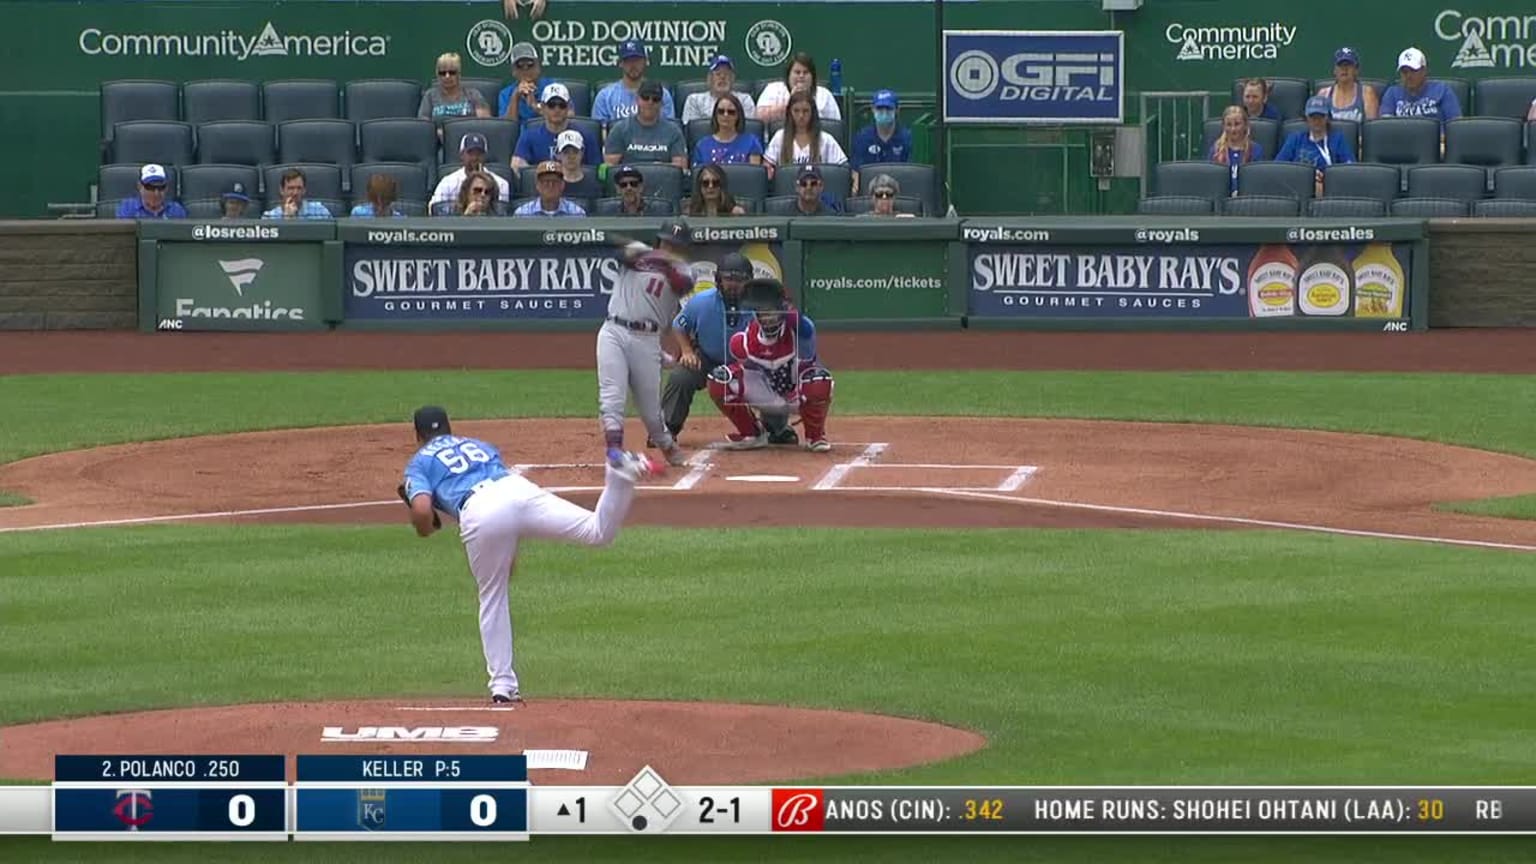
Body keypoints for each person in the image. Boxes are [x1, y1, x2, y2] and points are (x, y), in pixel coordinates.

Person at [397, 404, 661, 705]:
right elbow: (507, 507)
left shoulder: (419, 463)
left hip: (481, 510)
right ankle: (619, 476)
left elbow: (420, 509)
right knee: (597, 531)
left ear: (417, 435)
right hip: (517, 490)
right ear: (448, 427)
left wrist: (424, 528)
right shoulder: (479, 445)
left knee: (493, 596)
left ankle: (503, 686)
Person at [662, 253, 798, 444]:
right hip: (707, 358)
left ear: (749, 281)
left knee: (772, 375)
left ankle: (775, 427)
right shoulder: (702, 302)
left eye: (740, 279)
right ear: (719, 279)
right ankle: (667, 429)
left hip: (748, 363)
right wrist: (687, 351)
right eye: (728, 279)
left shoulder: (759, 305)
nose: (733, 284)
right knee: (681, 375)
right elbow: (679, 325)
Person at [597, 220, 696, 467]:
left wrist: (654, 255)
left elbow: (680, 282)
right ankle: (614, 452)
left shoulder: (685, 271)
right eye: (665, 242)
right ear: (658, 240)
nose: (669, 248)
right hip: (613, 331)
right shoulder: (638, 252)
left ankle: (666, 444)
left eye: (675, 245)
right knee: (612, 396)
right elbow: (620, 254)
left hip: (647, 339)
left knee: (651, 413)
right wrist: (635, 250)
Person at [705, 277, 834, 452]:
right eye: (764, 314)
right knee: (719, 378)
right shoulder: (742, 341)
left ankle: (815, 436)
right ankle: (751, 433)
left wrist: (786, 306)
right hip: (767, 395)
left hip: (795, 393)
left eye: (773, 313)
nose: (769, 319)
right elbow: (742, 372)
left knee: (819, 379)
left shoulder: (799, 333)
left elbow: (803, 327)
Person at [1276, 96, 1356, 196]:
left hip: (1330, 189)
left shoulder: (1338, 139)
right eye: (1312, 116)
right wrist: (1307, 177)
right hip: (1297, 188)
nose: (1316, 120)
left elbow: (1349, 170)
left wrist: (1326, 178)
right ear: (1306, 118)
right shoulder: (1295, 139)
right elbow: (1279, 168)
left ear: (1327, 117)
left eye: (1321, 116)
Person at [763, 90, 848, 180]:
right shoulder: (780, 137)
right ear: (790, 112)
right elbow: (767, 165)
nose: (801, 116)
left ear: (813, 113)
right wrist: (769, 170)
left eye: (806, 111)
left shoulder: (826, 139)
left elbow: (843, 169)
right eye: (796, 111)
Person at [512, 83, 599, 170]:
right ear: (542, 107)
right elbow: (517, 167)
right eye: (551, 105)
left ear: (568, 107)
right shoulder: (529, 136)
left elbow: (594, 170)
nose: (557, 109)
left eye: (562, 105)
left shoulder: (586, 136)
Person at [603, 81, 688, 168]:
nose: (650, 102)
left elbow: (680, 169)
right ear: (637, 100)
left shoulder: (673, 131)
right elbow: (610, 167)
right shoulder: (620, 129)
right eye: (645, 98)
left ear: (661, 103)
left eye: (655, 99)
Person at [592, 39, 676, 122]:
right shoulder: (605, 97)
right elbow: (601, 132)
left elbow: (669, 130)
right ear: (620, 63)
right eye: (628, 61)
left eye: (637, 60)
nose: (633, 65)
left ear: (646, 61)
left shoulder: (661, 95)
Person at [1380, 47, 1462, 130]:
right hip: (1402, 141)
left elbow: (1455, 127)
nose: (1408, 76)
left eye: (1413, 70)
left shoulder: (1442, 91)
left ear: (1424, 71)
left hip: (1436, 141)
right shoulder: (1392, 94)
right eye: (1404, 72)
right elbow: (1386, 128)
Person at [432, 132, 511, 210]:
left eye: (479, 154)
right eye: (470, 153)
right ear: (461, 155)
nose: (475, 158)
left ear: (485, 156)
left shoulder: (501, 184)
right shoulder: (448, 183)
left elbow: (500, 214)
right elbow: (434, 209)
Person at [419, 52, 491, 137]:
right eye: (442, 73)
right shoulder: (430, 96)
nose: (447, 76)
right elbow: (424, 125)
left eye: (452, 72)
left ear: (459, 74)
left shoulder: (473, 94)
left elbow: (485, 123)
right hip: (440, 142)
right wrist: (442, 135)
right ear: (437, 75)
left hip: (470, 141)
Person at [755, 52, 842, 123]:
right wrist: (792, 103)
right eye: (797, 72)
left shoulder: (825, 95)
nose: (801, 76)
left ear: (813, 76)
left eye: (806, 72)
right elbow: (759, 118)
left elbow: (835, 127)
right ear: (788, 75)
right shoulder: (773, 89)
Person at [849, 89, 912, 180]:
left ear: (897, 110)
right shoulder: (862, 138)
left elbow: (911, 173)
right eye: (879, 108)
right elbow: (855, 171)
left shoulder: (907, 138)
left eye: (888, 108)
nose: (884, 112)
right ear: (873, 109)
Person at [691, 93, 763, 167]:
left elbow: (754, 175)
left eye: (731, 112)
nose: (725, 115)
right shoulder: (702, 145)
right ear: (715, 115)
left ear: (738, 115)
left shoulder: (751, 143)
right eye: (721, 111)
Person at [681, 55, 757, 124]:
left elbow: (748, 129)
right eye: (718, 74)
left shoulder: (744, 100)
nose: (722, 77)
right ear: (709, 79)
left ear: (733, 79)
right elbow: (690, 132)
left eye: (726, 74)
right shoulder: (694, 101)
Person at [1209, 105, 1264, 196]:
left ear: (1245, 125)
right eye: (1229, 125)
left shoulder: (1255, 149)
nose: (1233, 129)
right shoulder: (1216, 150)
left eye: (1237, 124)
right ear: (1223, 126)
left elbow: (1257, 182)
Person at [1317, 46, 1378, 123]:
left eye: (1348, 65)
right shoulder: (1324, 94)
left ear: (1356, 70)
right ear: (1334, 70)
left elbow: (1371, 128)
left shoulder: (1366, 93)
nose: (1344, 69)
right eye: (1340, 65)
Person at [497, 42, 553, 123]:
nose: (525, 69)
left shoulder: (552, 87)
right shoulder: (505, 94)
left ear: (538, 66)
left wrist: (535, 106)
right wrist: (515, 97)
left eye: (530, 64)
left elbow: (567, 117)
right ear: (513, 71)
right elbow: (507, 128)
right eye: (519, 66)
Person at [514, 160, 586, 216]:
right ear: (537, 185)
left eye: (555, 182)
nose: (550, 186)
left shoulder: (576, 213)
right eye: (546, 182)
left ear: (562, 185)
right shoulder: (522, 213)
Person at [115, 163, 187, 219]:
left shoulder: (176, 210)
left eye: (161, 187)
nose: (156, 193)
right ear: (139, 187)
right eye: (150, 188)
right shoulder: (128, 208)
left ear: (167, 188)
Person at [262, 167, 332, 219]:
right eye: (290, 188)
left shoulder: (320, 211)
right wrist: (287, 220)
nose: (295, 193)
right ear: (282, 190)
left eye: (299, 188)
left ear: (304, 190)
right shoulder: (269, 217)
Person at [553, 129, 603, 201]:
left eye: (575, 152)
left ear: (582, 153)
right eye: (566, 152)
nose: (571, 156)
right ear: (558, 155)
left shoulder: (594, 185)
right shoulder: (553, 186)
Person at [605, 164, 671, 216]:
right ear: (618, 189)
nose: (629, 188)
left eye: (634, 184)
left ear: (641, 187)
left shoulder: (658, 212)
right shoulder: (608, 213)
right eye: (623, 185)